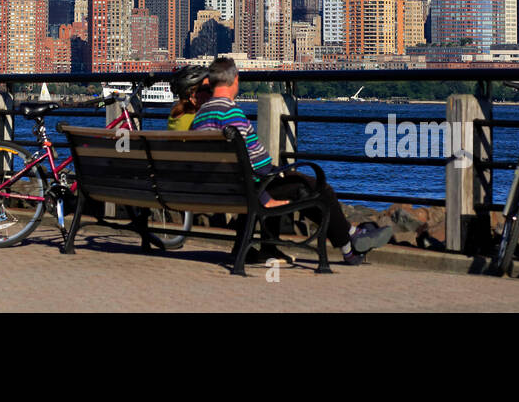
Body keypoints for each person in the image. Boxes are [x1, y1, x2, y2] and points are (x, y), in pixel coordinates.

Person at [192, 56, 392, 266]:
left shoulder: (201, 116)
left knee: (302, 187)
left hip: (218, 189)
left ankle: (351, 238)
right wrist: (278, 173)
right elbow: (256, 165)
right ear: (235, 80)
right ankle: (350, 244)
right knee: (318, 188)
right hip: (247, 189)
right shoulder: (231, 113)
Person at [166, 65, 209, 130]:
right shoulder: (201, 120)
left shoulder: (176, 116)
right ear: (192, 96)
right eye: (206, 89)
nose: (212, 92)